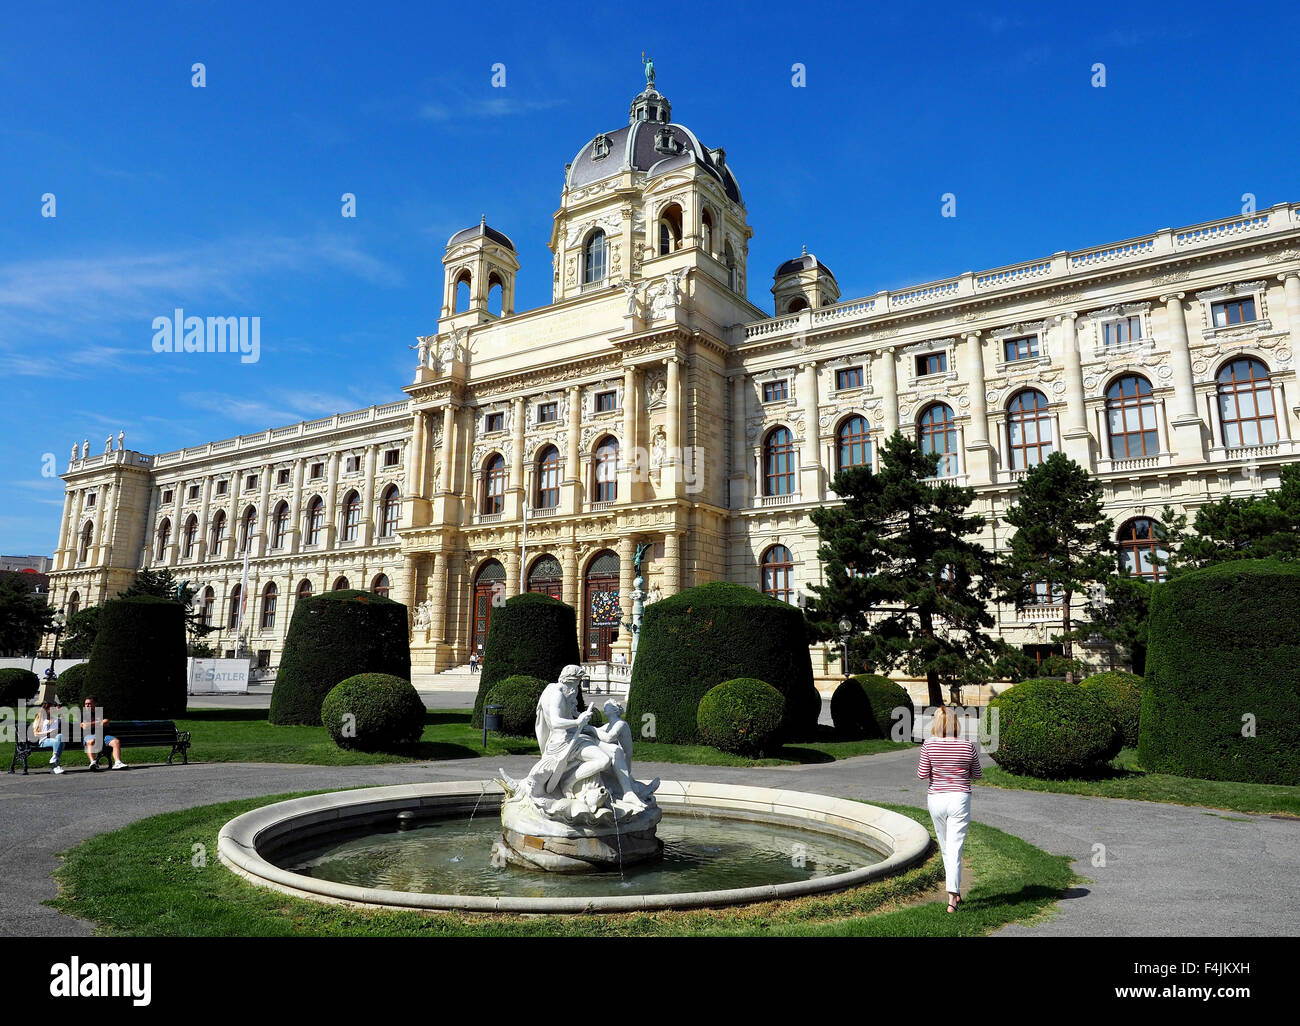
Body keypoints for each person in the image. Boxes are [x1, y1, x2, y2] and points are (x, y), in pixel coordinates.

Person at [916, 705, 982, 913]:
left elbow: (921, 774)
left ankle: (954, 893)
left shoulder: (929, 745)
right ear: (956, 723)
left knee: (946, 847)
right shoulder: (967, 746)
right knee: (955, 847)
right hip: (960, 798)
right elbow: (977, 773)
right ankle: (952, 897)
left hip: (936, 798)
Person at [80, 696, 126, 770]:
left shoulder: (102, 711)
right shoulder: (83, 714)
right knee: (91, 741)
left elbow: (106, 722)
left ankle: (117, 762)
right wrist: (99, 722)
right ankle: (93, 763)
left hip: (104, 735)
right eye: (86, 704)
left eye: (89, 704)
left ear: (95, 703)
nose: (87, 706)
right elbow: (84, 726)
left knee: (116, 742)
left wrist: (91, 724)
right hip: (90, 735)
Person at [32, 702, 65, 775]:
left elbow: (64, 721)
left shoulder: (55, 719)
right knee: (60, 742)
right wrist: (47, 732)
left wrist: (61, 712)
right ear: (46, 709)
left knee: (60, 736)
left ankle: (54, 761)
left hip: (55, 739)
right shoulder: (40, 719)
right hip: (44, 741)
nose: (53, 710)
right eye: (52, 708)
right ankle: (55, 766)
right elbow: (36, 734)